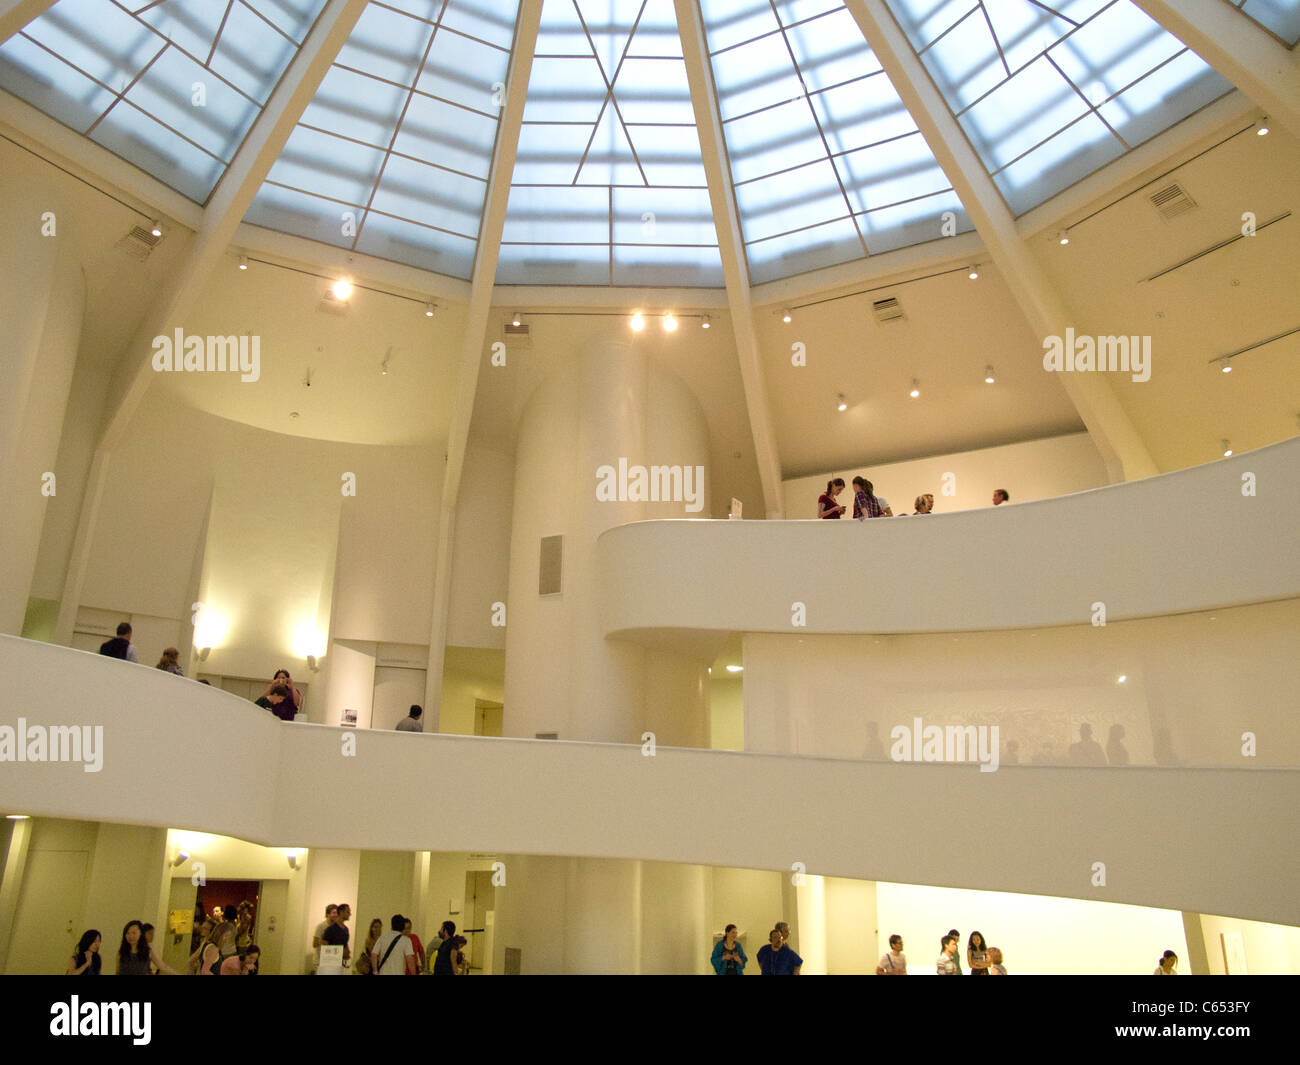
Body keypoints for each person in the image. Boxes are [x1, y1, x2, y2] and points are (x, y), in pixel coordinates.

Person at [313, 904, 338, 971]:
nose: (336, 915)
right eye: (334, 913)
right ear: (327, 914)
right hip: (320, 961)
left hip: (333, 961)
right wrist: (323, 941)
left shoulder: (338, 928)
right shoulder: (320, 926)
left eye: (337, 913)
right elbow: (314, 944)